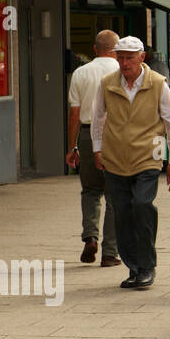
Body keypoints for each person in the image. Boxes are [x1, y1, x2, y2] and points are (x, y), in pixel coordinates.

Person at [91, 36, 170, 290]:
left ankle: (147, 265)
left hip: (147, 156)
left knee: (141, 205)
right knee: (122, 212)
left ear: (142, 57)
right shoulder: (107, 84)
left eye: (129, 57)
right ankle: (134, 268)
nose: (124, 62)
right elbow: (98, 119)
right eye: (120, 57)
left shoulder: (157, 84)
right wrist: (97, 149)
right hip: (116, 157)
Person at [65, 29, 121, 267]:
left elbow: (74, 115)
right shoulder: (121, 71)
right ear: (117, 51)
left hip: (88, 135)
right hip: (116, 136)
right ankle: (110, 253)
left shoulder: (80, 72)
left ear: (95, 49)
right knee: (114, 195)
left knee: (90, 190)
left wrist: (72, 147)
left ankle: (91, 236)